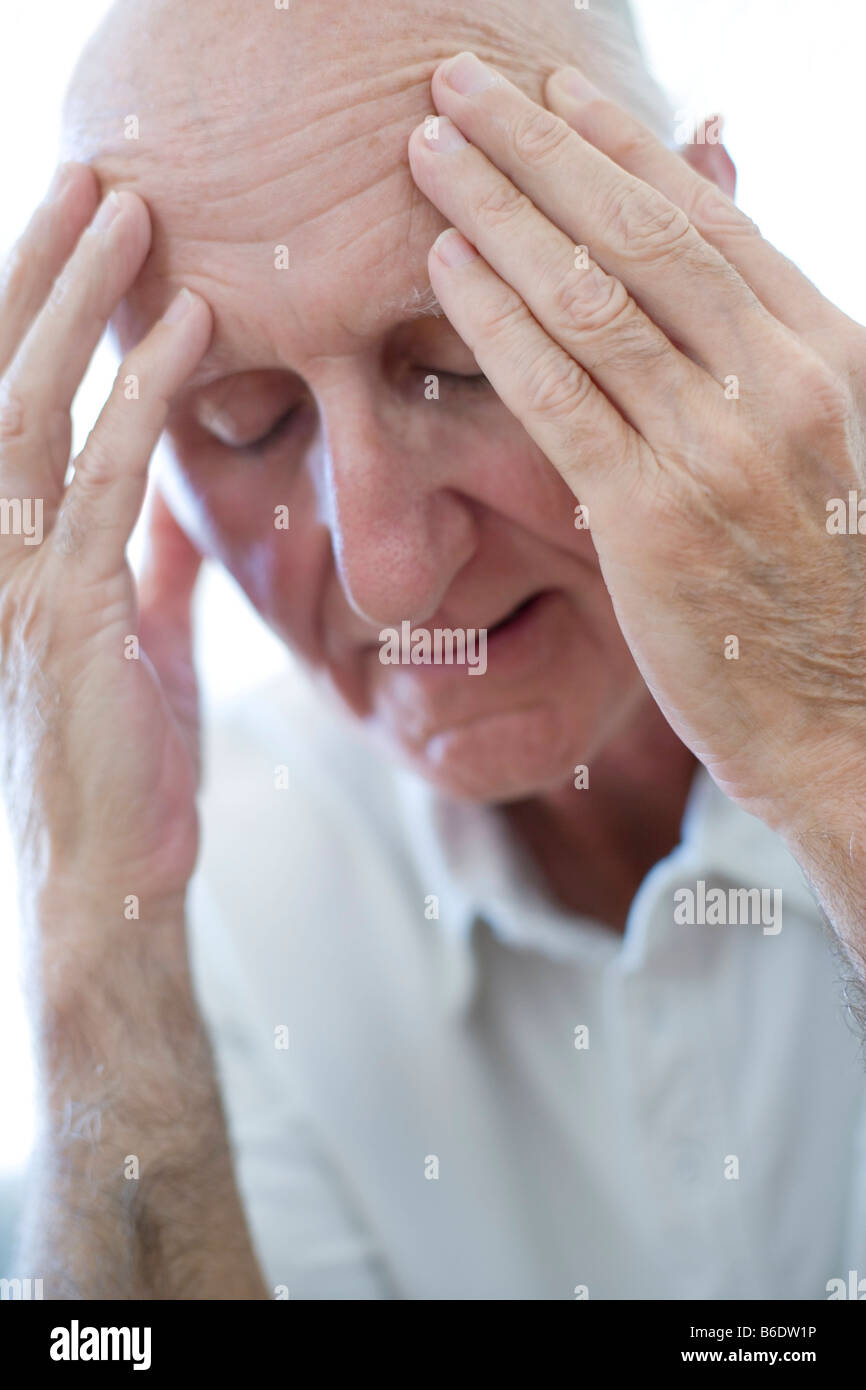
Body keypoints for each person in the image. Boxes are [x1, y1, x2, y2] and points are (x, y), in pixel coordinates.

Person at [2, 0, 866, 1299]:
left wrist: (834, 739)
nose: (383, 567)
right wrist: (95, 945)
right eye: (242, 427)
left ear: (701, 263)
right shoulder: (207, 879)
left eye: (463, 363)